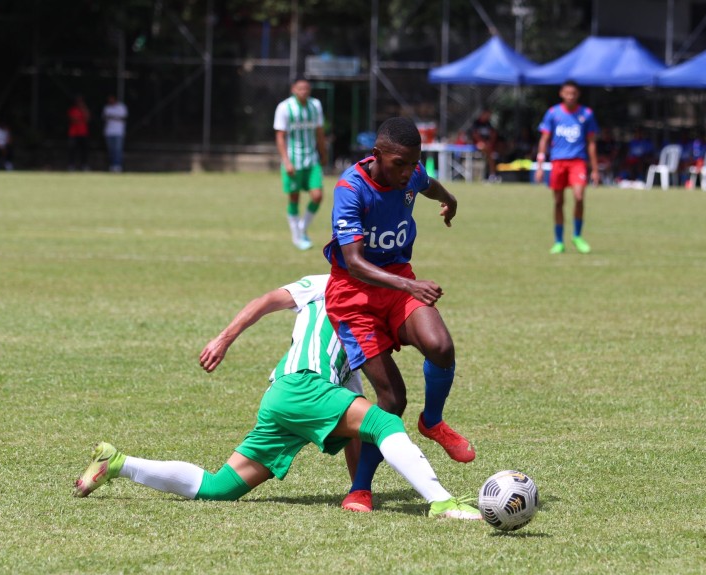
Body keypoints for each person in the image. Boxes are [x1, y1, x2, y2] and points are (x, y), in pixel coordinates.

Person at [73, 274, 481, 521]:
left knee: (219, 488)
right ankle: (442, 503)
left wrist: (360, 490)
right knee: (386, 421)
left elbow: (356, 431)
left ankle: (118, 462)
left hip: (285, 397)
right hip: (302, 384)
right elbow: (266, 301)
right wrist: (224, 338)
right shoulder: (327, 284)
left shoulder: (367, 326)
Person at [323, 116, 475, 514]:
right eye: (399, 164)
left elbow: (427, 183)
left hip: (397, 282)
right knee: (392, 398)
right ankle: (360, 488)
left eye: (413, 163)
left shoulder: (410, 173)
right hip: (354, 298)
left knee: (440, 346)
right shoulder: (351, 189)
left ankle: (433, 422)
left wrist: (450, 198)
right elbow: (354, 262)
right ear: (377, 155)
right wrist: (410, 287)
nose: (408, 172)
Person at [535, 80, 599, 254]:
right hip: (558, 162)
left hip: (578, 162)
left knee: (579, 197)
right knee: (558, 202)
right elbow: (544, 139)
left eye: (573, 94)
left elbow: (591, 143)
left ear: (578, 95)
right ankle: (559, 241)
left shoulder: (586, 114)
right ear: (561, 94)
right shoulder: (553, 113)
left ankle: (577, 236)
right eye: (567, 93)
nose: (570, 97)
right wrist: (540, 165)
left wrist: (595, 169)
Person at [273, 78, 328, 251]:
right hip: (293, 161)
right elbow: (280, 136)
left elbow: (319, 132)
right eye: (300, 88)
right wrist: (286, 161)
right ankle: (297, 236)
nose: (303, 91)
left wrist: (323, 153)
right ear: (293, 89)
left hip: (311, 159)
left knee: (317, 196)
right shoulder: (284, 107)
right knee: (294, 198)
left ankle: (302, 228)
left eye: (306, 88)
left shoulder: (315, 105)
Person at [470, 108, 500, 182]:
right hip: (477, 144)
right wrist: (483, 142)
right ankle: (491, 174)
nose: (488, 117)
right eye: (487, 115)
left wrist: (490, 142)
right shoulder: (476, 123)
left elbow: (493, 134)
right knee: (486, 149)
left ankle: (492, 175)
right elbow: (474, 135)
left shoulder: (488, 123)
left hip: (487, 146)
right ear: (483, 114)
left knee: (491, 152)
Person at [102, 95, 128, 172]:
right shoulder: (107, 108)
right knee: (111, 150)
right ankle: (112, 165)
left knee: (118, 150)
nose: (110, 100)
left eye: (111, 99)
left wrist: (112, 117)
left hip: (118, 132)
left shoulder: (121, 107)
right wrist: (115, 117)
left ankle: (118, 166)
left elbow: (123, 118)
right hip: (109, 132)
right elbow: (105, 118)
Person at [67, 95, 90, 171]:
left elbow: (87, 119)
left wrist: (84, 109)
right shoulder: (73, 110)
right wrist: (81, 120)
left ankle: (84, 165)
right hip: (73, 133)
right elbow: (73, 120)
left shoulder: (84, 110)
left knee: (84, 151)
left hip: (83, 133)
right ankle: (71, 165)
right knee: (72, 150)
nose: (80, 103)